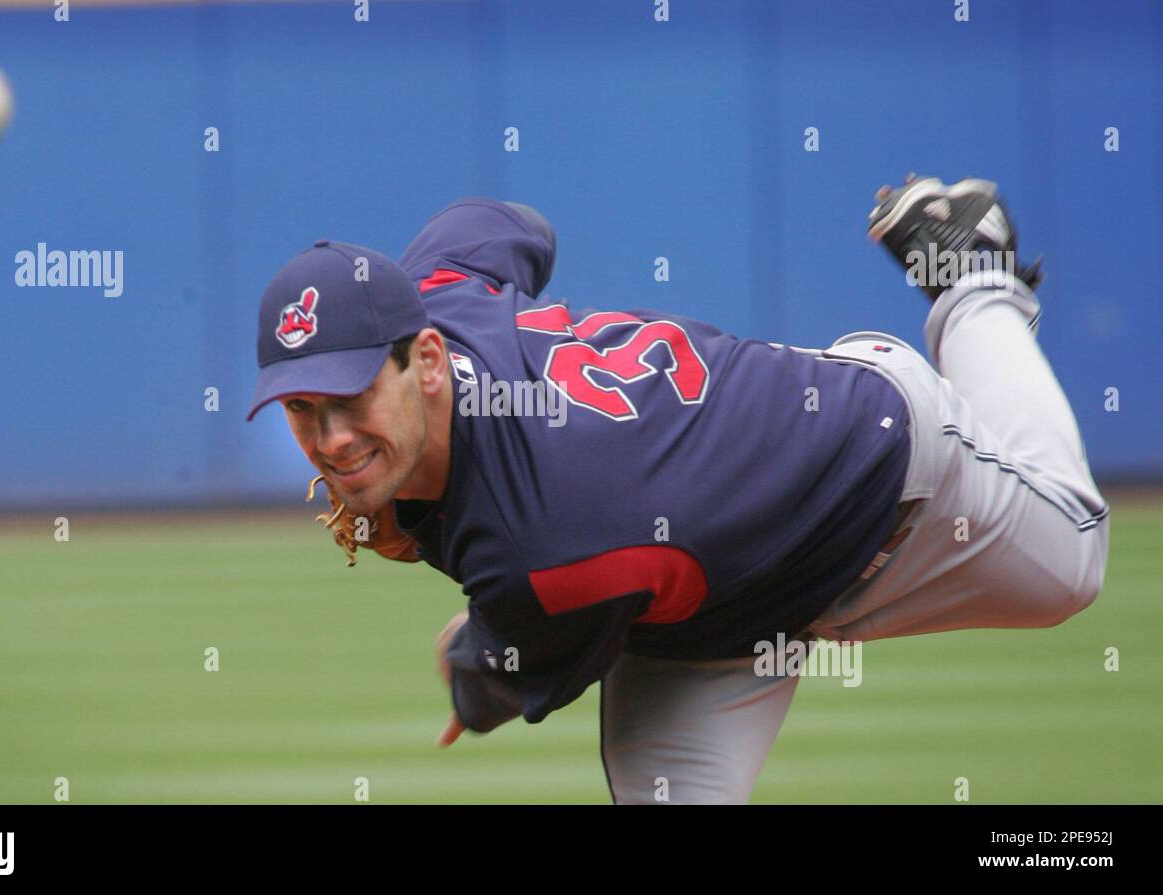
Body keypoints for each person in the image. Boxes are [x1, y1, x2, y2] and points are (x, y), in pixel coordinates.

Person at [246, 178, 1109, 804]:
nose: (332, 440)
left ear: (426, 361)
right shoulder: (438, 294)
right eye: (303, 409)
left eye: (354, 396)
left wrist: (471, 671)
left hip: (866, 476)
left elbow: (504, 666)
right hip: (698, 620)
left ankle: (971, 279)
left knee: (1074, 563)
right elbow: (508, 225)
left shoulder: (539, 545)